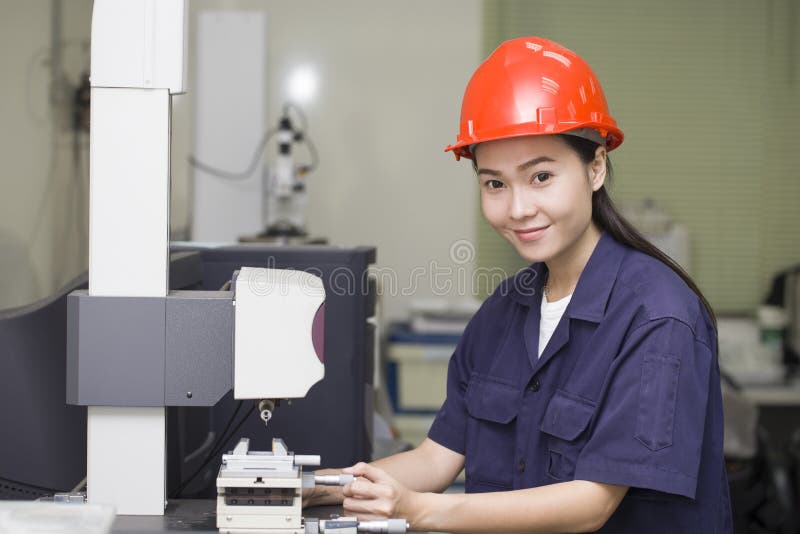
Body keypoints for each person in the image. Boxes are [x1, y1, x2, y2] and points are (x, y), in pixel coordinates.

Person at [305, 36, 732, 533]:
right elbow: (436, 458)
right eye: (494, 184)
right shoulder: (505, 311)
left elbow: (591, 503)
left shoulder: (659, 315)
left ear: (595, 167)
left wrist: (419, 510)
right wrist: (322, 486)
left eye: (541, 176)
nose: (518, 209)